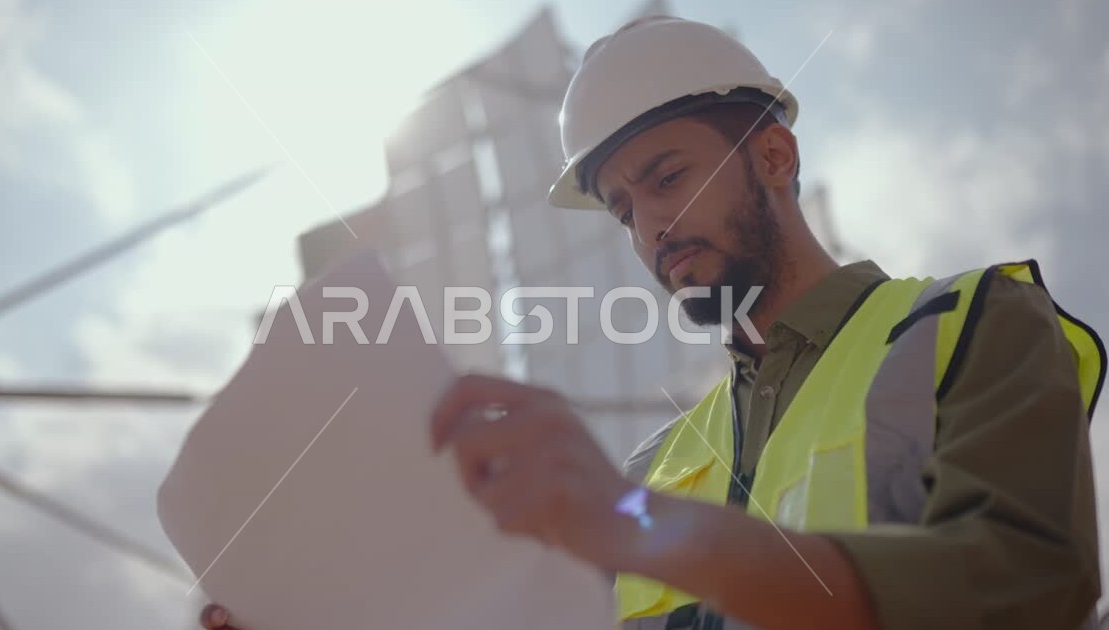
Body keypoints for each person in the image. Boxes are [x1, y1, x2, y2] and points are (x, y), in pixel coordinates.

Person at [201, 15, 1105, 630]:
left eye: (668, 178)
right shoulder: (653, 470)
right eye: (624, 208)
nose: (649, 229)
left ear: (776, 158)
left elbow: (1030, 583)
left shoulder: (968, 321)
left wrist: (633, 523)